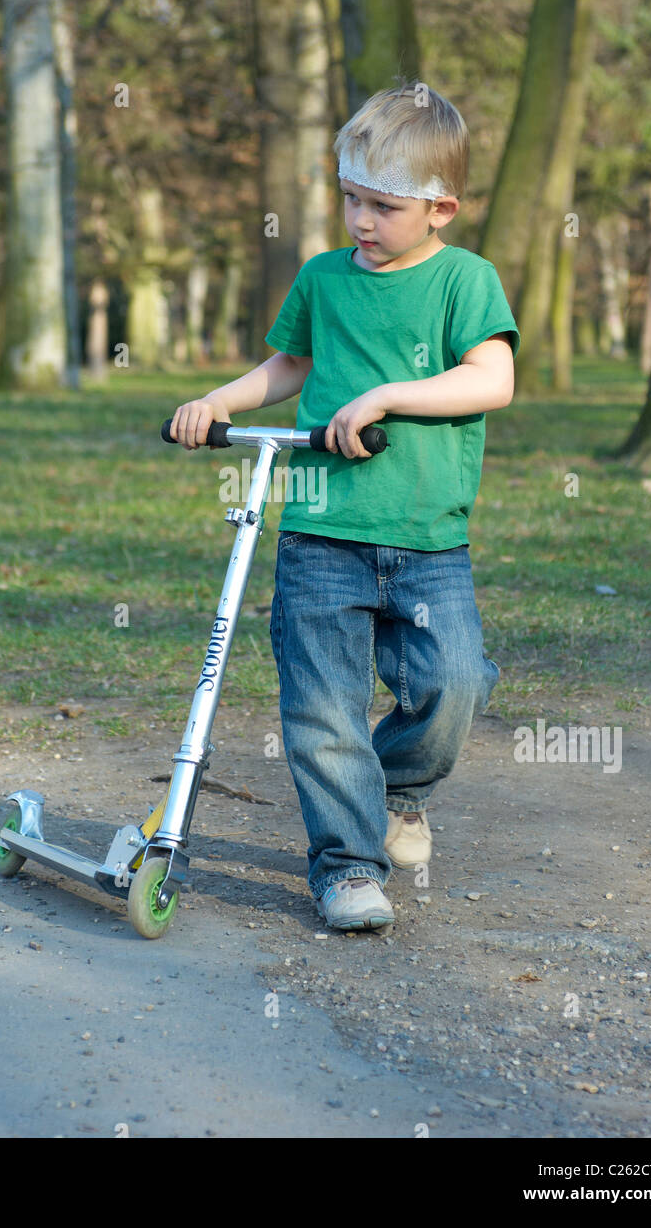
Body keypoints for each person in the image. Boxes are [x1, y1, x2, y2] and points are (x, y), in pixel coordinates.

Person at [166, 81, 519, 932]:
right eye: (350, 197)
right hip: (323, 528)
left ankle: (398, 786)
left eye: (383, 206)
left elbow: (492, 379)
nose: (360, 219)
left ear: (441, 208)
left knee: (455, 683)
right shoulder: (324, 278)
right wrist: (219, 401)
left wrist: (389, 395)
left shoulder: (465, 282)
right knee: (323, 710)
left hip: (427, 535)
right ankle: (347, 867)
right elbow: (287, 367)